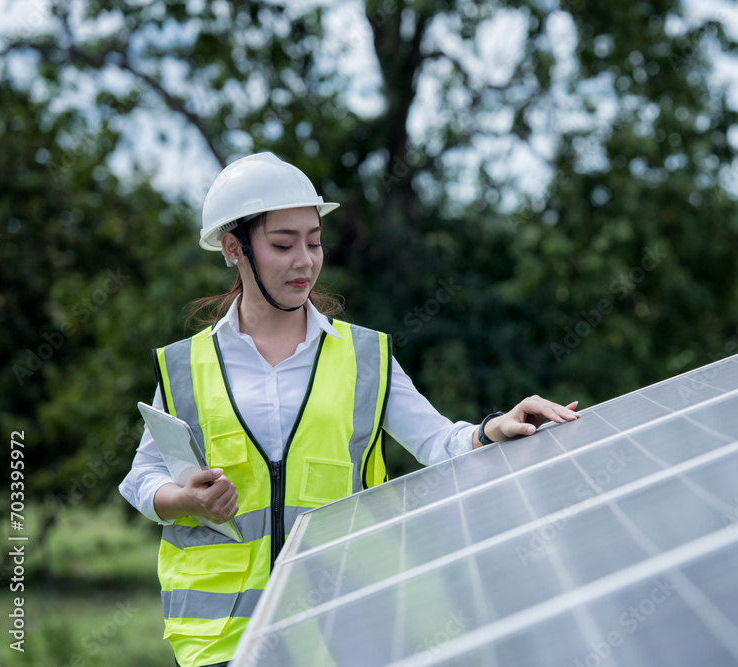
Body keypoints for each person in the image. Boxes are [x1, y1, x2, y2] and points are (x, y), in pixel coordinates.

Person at [119, 152, 580, 667]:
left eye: (314, 242)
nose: (305, 261)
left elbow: (441, 442)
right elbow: (142, 477)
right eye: (282, 244)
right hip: (222, 640)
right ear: (234, 248)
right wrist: (185, 501)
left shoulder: (365, 357)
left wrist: (495, 428)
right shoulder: (184, 366)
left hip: (337, 628)